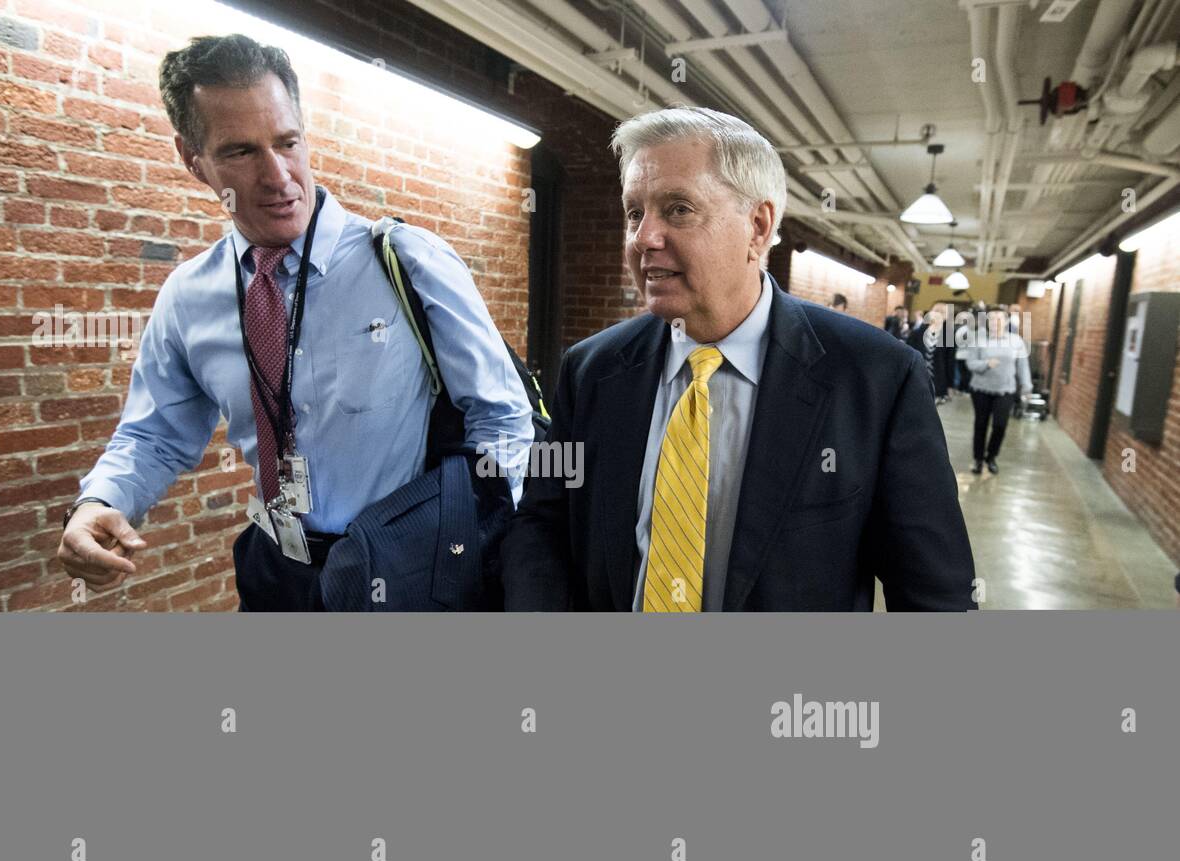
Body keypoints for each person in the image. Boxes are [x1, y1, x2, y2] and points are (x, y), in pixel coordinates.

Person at [56, 34, 533, 609]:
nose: (279, 176)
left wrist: (473, 545)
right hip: (276, 571)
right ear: (192, 159)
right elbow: (153, 434)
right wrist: (100, 502)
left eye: (288, 142)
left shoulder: (408, 261)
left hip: (408, 572)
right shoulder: (188, 297)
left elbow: (502, 418)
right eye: (240, 152)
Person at [501, 107, 976, 612]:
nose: (643, 238)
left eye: (678, 209)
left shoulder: (875, 379)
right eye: (635, 212)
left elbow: (935, 595)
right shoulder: (592, 369)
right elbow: (542, 526)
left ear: (757, 225)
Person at [966, 314, 1032, 474]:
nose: (995, 322)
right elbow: (970, 363)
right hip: (981, 389)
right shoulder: (978, 340)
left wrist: (1027, 386)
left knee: (1000, 425)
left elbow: (1023, 365)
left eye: (999, 319)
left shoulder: (1016, 341)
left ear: (1006, 322)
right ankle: (978, 459)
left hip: (1005, 390)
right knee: (981, 424)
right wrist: (986, 364)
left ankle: (992, 457)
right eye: (992, 319)